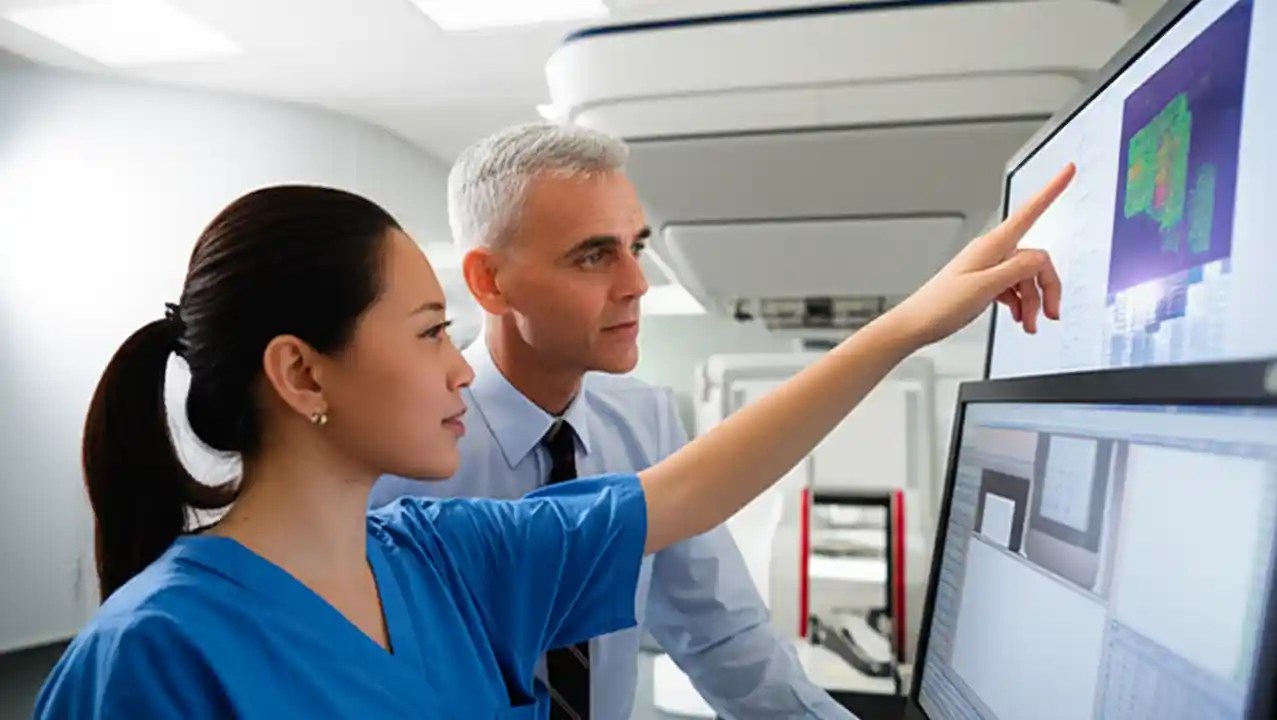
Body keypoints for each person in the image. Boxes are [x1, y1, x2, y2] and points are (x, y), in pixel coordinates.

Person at [35, 159, 1073, 718]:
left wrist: (906, 325)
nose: (457, 365)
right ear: (302, 372)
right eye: (431, 331)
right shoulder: (152, 658)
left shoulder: (443, 556)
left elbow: (694, 494)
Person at [368, 123, 853, 719]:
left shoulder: (644, 420)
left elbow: (725, 637)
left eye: (636, 248)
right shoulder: (397, 453)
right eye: (594, 255)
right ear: (490, 282)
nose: (636, 284)